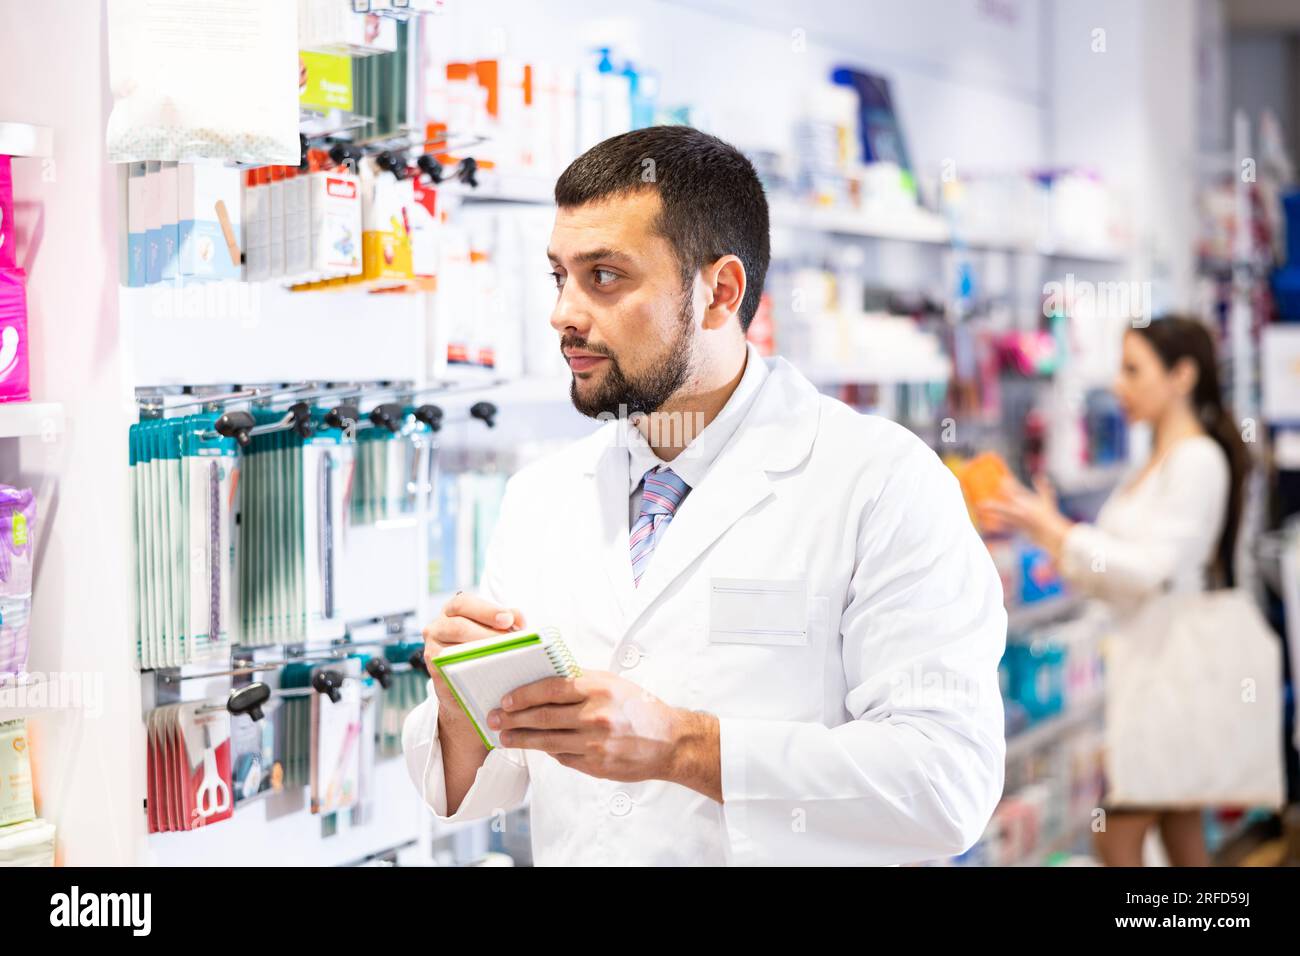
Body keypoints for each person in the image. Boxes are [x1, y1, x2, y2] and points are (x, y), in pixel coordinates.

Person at [403, 125, 1007, 865]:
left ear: (719, 292)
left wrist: (684, 746)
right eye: (558, 276)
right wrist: (461, 704)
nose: (564, 313)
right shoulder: (542, 497)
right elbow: (482, 788)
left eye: (605, 276)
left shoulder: (881, 484)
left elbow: (946, 784)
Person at [980, 315, 1249, 867]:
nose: (1119, 386)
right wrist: (1055, 536)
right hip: (1152, 672)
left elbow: (1150, 571)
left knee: (1116, 834)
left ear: (1182, 376)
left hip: (1173, 683)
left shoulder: (1197, 461)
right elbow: (1117, 568)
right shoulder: (1153, 463)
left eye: (1133, 369)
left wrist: (1059, 533)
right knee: (1179, 834)